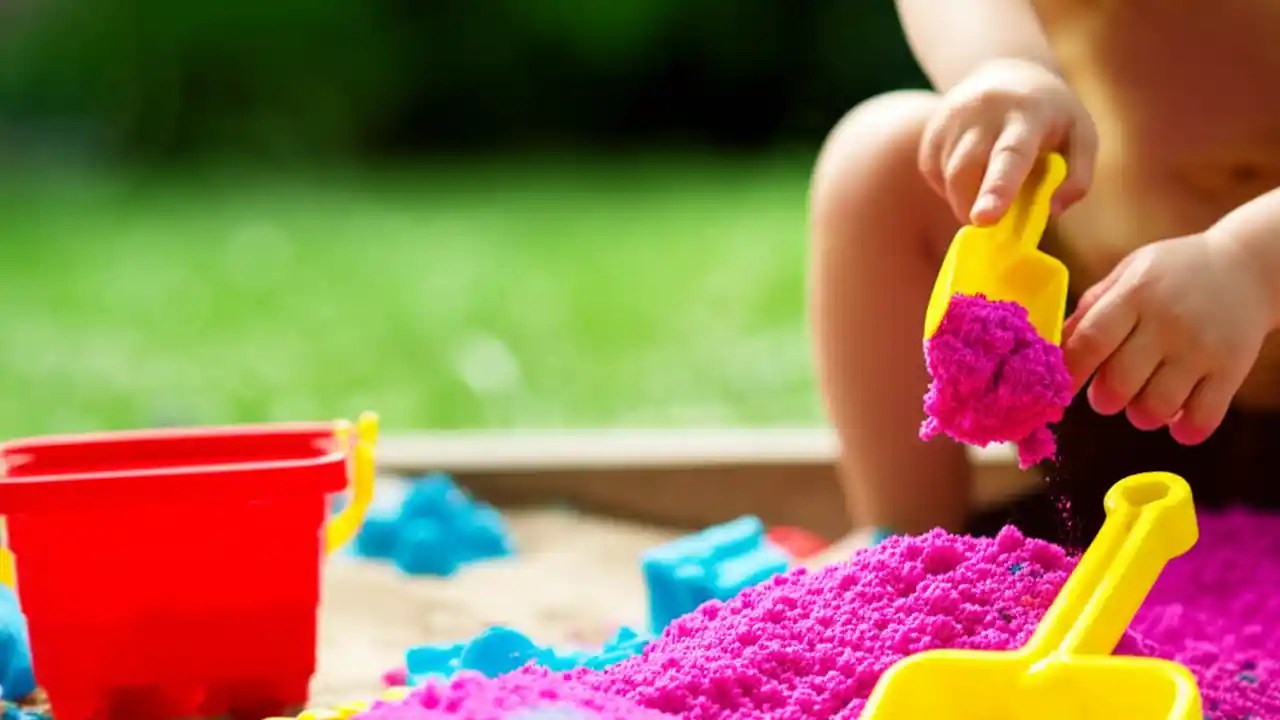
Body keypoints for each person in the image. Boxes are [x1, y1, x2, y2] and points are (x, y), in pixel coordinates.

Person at [808, 0, 1280, 549]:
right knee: (881, 152)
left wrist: (1249, 264)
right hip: (1099, 368)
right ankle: (904, 541)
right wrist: (1003, 66)